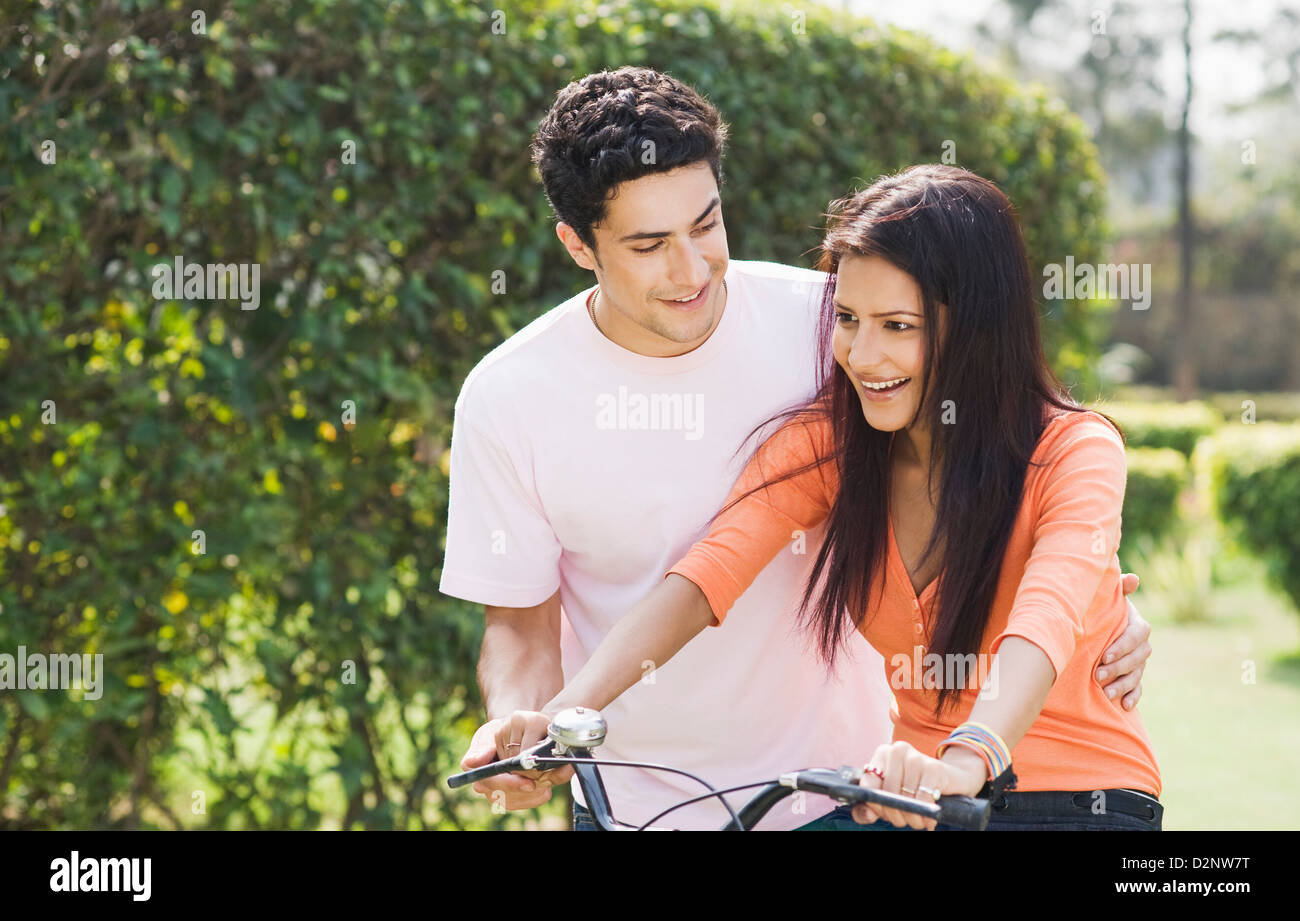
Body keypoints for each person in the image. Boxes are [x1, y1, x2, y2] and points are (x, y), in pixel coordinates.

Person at [442, 67, 1152, 831]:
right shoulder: (514, 394)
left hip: (876, 790)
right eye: (649, 245)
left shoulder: (827, 320)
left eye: (706, 225)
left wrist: (1088, 617)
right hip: (664, 799)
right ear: (579, 245)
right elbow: (706, 572)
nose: (691, 271)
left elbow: (1045, 588)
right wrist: (550, 719)